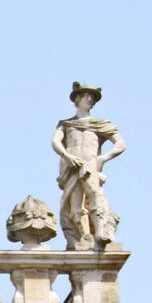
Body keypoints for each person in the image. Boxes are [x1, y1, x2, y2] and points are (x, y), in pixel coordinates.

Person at [52, 82, 125, 249]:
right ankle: (84, 237)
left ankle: (101, 231)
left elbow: (120, 144)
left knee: (94, 193)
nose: (90, 100)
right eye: (87, 96)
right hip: (71, 165)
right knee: (75, 205)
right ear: (77, 99)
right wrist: (67, 156)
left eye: (93, 98)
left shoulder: (98, 124)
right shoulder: (67, 124)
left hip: (90, 163)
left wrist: (103, 159)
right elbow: (55, 141)